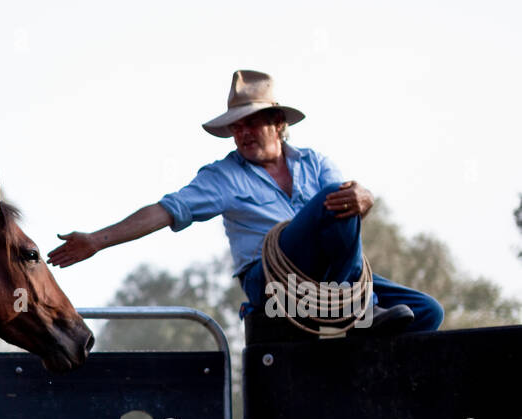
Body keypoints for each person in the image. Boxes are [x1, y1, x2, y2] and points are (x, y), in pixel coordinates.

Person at [48, 70, 443, 335]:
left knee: (428, 312)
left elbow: (350, 206)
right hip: (270, 279)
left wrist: (365, 198)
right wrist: (98, 240)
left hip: (329, 276)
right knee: (331, 199)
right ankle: (359, 312)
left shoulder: (314, 162)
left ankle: (363, 349)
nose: (242, 132)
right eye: (235, 126)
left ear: (278, 123)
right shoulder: (223, 176)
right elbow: (165, 210)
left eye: (250, 122)